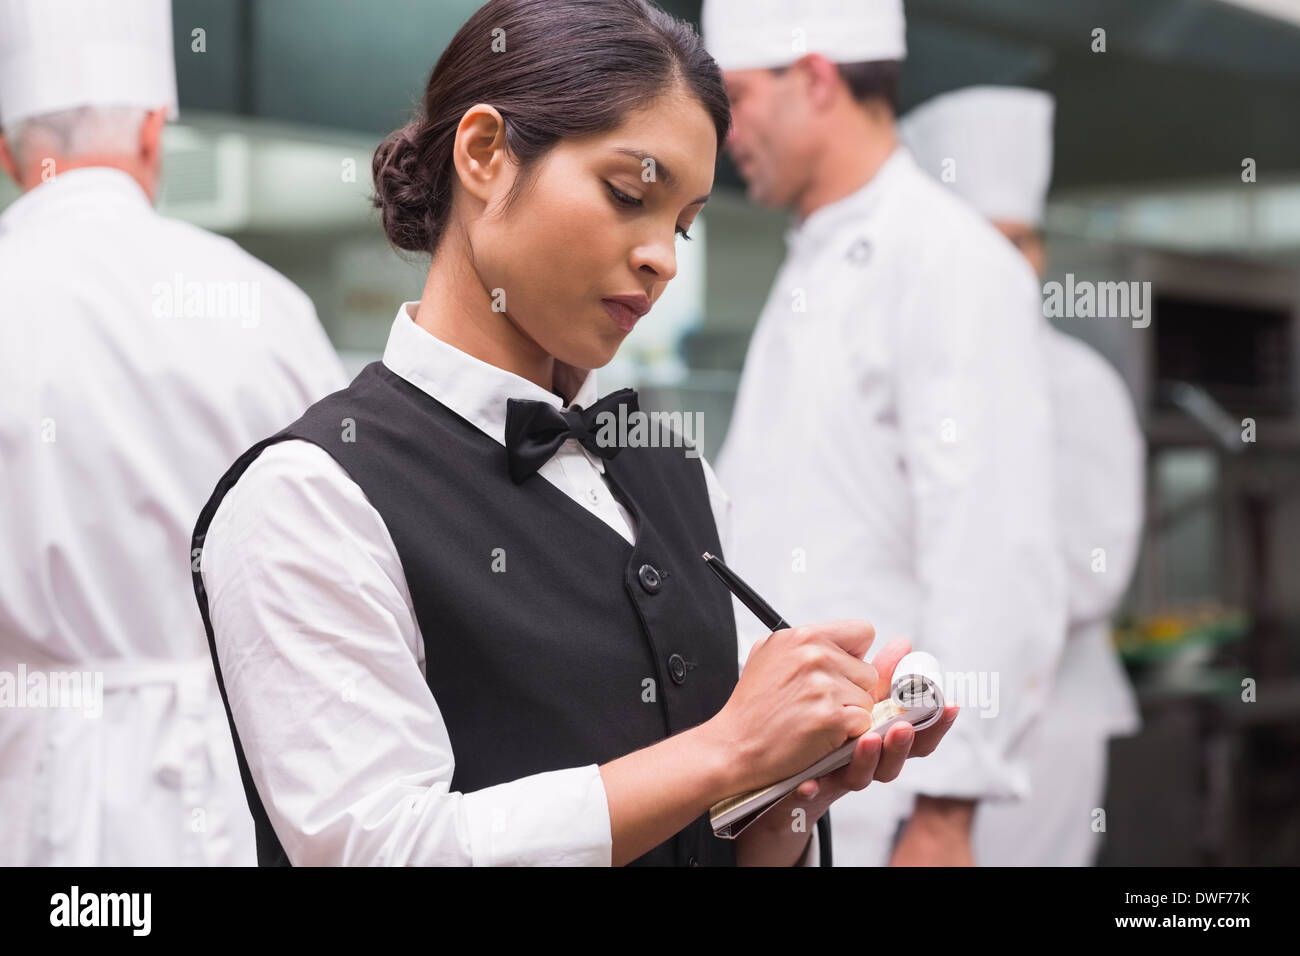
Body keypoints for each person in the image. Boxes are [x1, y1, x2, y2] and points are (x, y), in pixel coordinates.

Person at [190, 0, 957, 868]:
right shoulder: (309, 497)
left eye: (682, 224)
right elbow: (384, 850)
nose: (664, 256)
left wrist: (789, 788)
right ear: (484, 154)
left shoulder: (676, 468)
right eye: (630, 194)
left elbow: (713, 832)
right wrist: (727, 751)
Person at [703, 0, 1067, 865]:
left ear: (817, 80)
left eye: (740, 98)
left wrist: (947, 811)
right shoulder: (814, 258)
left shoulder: (950, 261)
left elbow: (996, 545)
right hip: (781, 784)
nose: (727, 135)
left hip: (886, 794)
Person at [0, 0, 346, 865]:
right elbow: (343, 554)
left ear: (7, 154)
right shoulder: (263, 306)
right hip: (227, 785)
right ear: (155, 132)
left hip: (21, 774)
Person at [901, 85, 1145, 865]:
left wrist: (949, 601)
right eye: (987, 239)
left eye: (1025, 240)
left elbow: (1090, 572)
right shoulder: (916, 365)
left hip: (1047, 722)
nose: (1011, 263)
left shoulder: (1079, 382)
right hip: (917, 714)